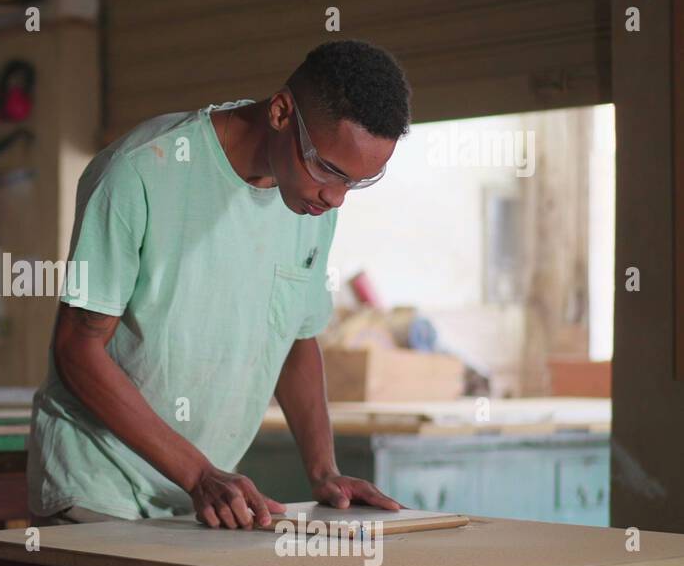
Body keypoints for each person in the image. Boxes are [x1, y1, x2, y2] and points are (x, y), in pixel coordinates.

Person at [29, 40, 410, 528]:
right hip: (97, 485)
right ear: (280, 112)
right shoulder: (141, 171)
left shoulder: (311, 202)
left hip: (197, 494)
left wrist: (324, 471)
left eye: (358, 182)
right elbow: (76, 349)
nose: (337, 198)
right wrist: (199, 473)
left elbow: (294, 337)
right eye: (330, 170)